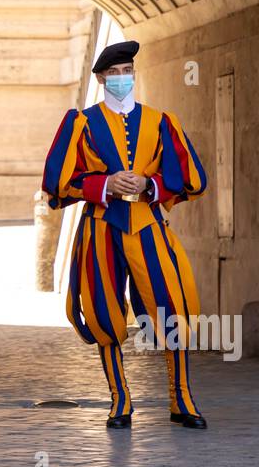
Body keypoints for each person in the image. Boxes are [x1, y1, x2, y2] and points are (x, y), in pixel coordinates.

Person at [41, 40, 209, 430]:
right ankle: (120, 400)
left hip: (149, 226)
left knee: (172, 307)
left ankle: (181, 398)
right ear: (101, 79)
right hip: (101, 227)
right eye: (113, 74)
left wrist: (150, 185)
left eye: (127, 72)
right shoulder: (81, 123)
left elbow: (190, 177)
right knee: (105, 311)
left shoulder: (161, 121)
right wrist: (105, 184)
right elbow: (58, 181)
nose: (122, 79)